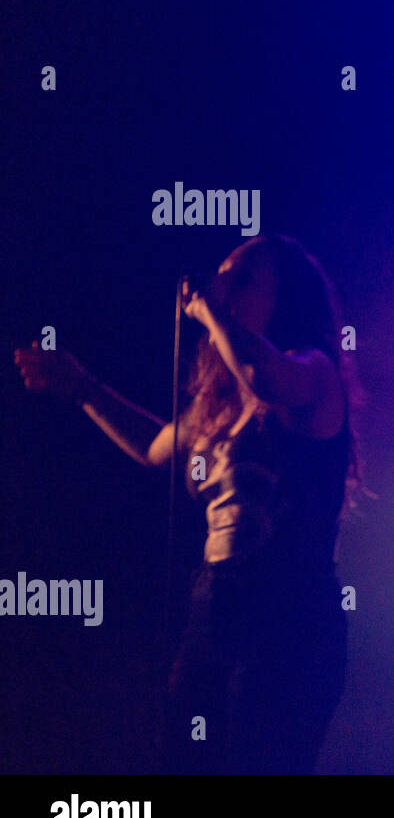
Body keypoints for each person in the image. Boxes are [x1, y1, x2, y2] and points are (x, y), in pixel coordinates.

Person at [14, 234, 363, 773]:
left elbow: (262, 374)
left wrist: (204, 307)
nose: (224, 283)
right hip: (217, 602)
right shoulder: (220, 404)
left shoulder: (311, 371)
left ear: (284, 296)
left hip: (289, 607)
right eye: (222, 273)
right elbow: (157, 449)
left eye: (243, 276)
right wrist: (82, 388)